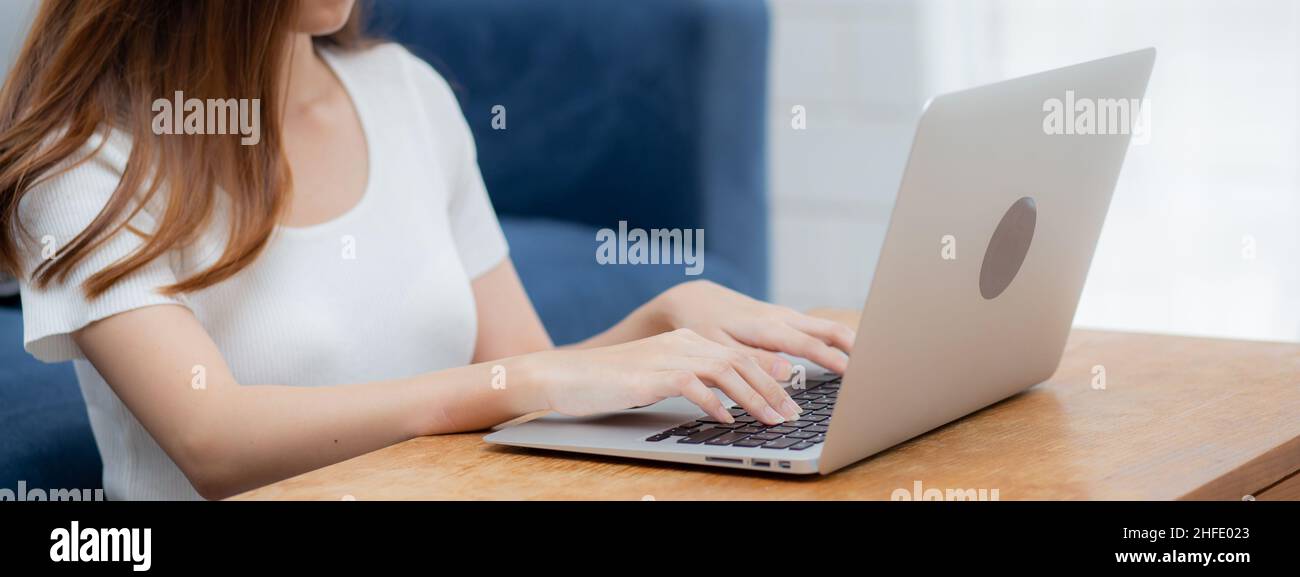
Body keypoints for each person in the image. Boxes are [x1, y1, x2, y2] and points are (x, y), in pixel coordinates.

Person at [0, 0, 854, 500]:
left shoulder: (405, 93)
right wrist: (514, 383)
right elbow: (213, 439)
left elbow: (528, 378)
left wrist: (662, 319)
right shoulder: (85, 163)